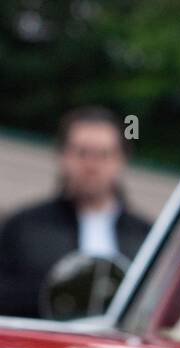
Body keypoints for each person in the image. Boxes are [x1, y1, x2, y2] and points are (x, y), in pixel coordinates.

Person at [0, 106, 151, 318]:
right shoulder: (24, 228)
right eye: (82, 153)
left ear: (121, 160)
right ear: (62, 156)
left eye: (104, 154)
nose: (92, 165)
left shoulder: (147, 237)